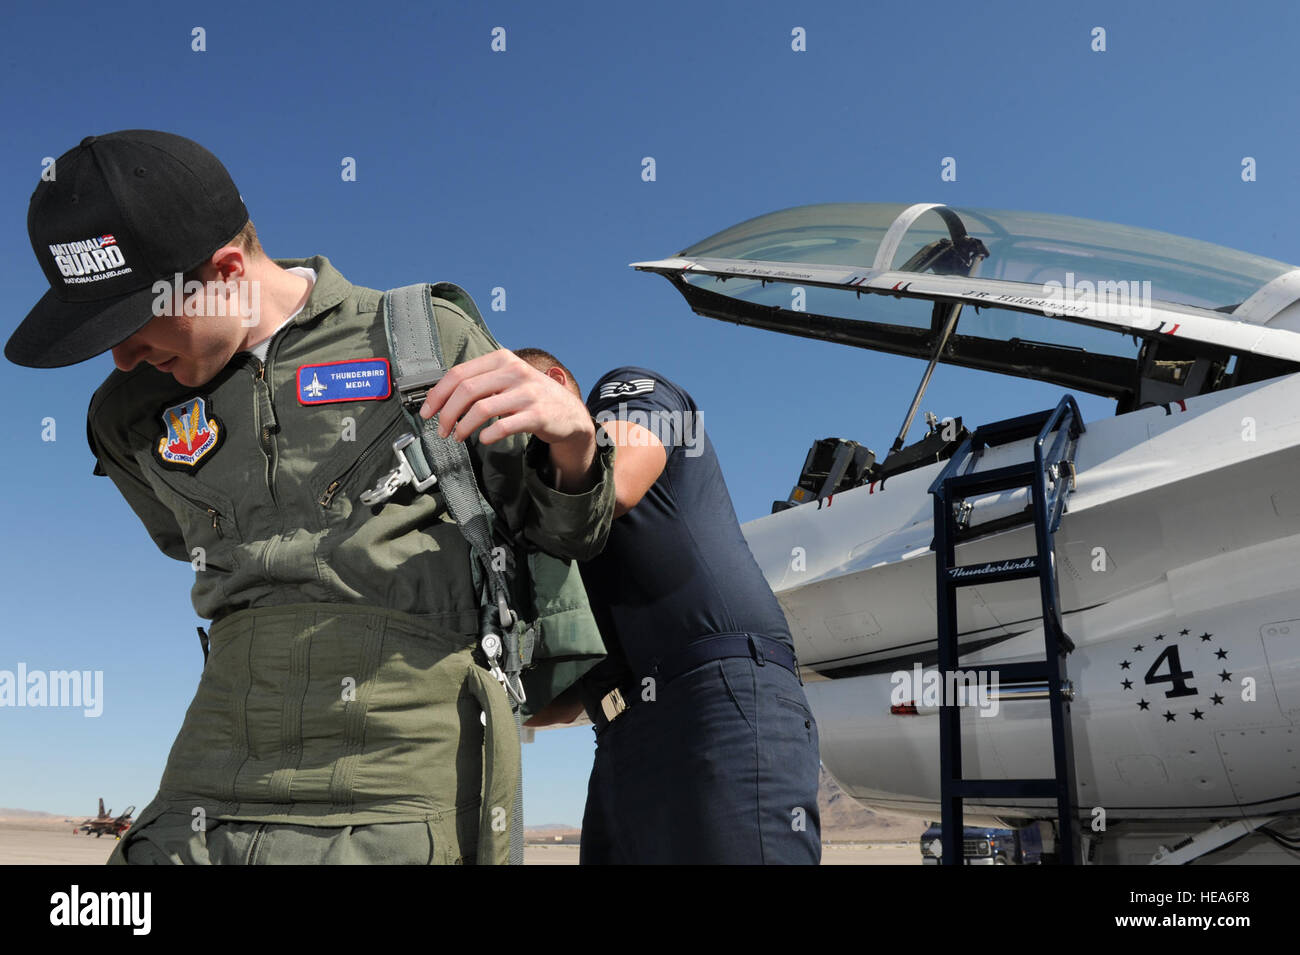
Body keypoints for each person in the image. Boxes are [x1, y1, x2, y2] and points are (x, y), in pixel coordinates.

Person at [5, 130, 615, 864]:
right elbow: (183, 540)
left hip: (403, 770)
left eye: (133, 322)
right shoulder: (125, 416)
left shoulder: (424, 342)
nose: (122, 356)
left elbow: (563, 539)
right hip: (216, 758)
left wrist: (575, 450)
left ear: (227, 272)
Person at [515, 348, 822, 864]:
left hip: (716, 700)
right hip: (618, 736)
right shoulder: (545, 530)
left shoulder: (624, 393)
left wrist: (563, 441)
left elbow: (619, 484)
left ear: (553, 382)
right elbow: (566, 696)